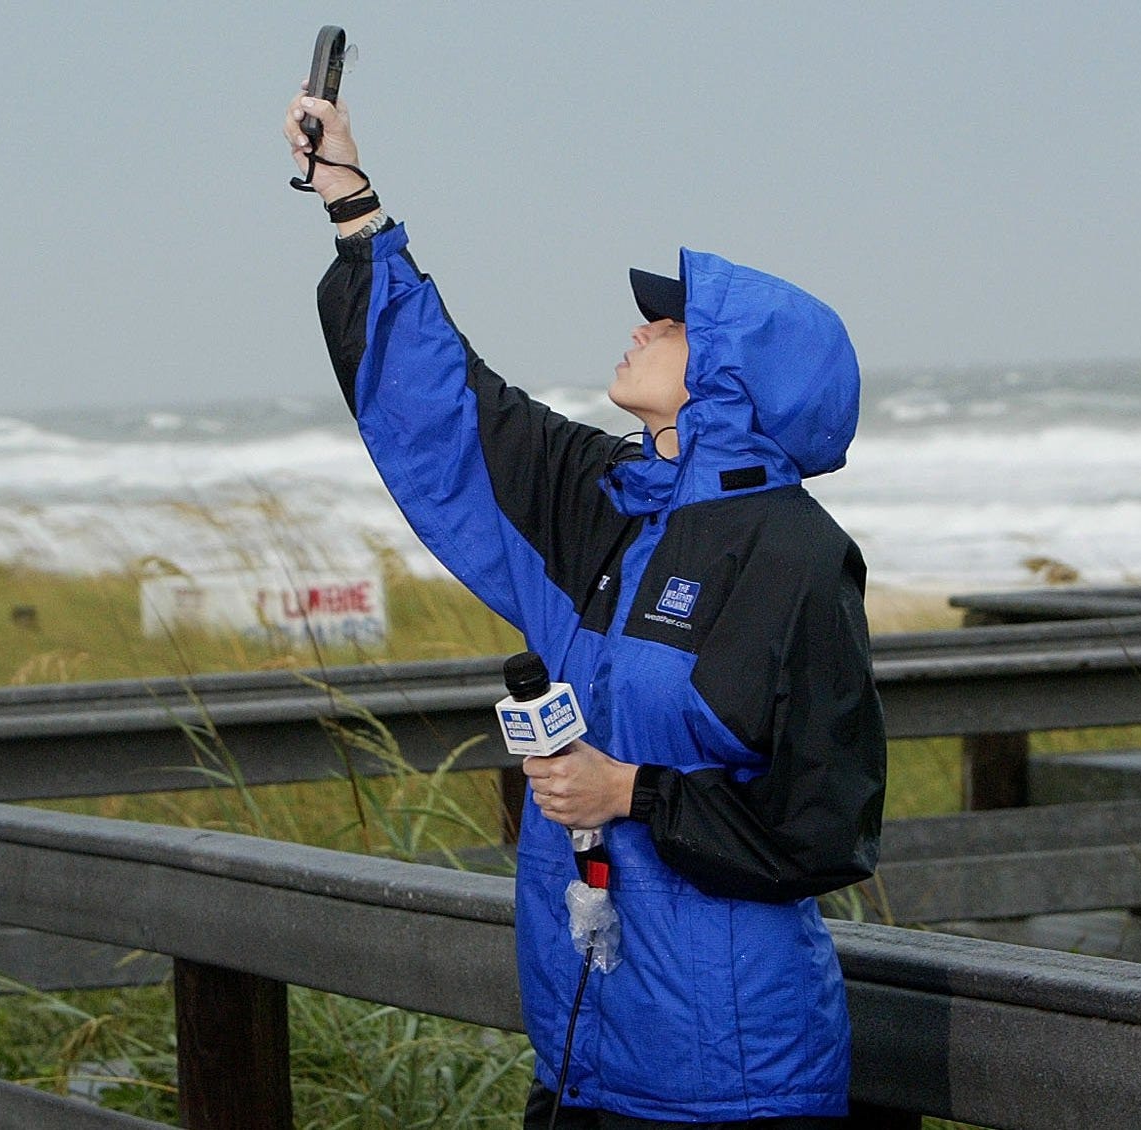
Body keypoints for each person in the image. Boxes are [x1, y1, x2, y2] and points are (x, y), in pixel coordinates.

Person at [285, 87, 887, 1129]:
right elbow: (448, 407)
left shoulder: (793, 555)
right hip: (583, 1051)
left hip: (733, 1081)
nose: (641, 325)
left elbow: (824, 826)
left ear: (737, 377)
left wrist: (631, 791)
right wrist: (349, 194)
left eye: (671, 320)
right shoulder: (604, 502)